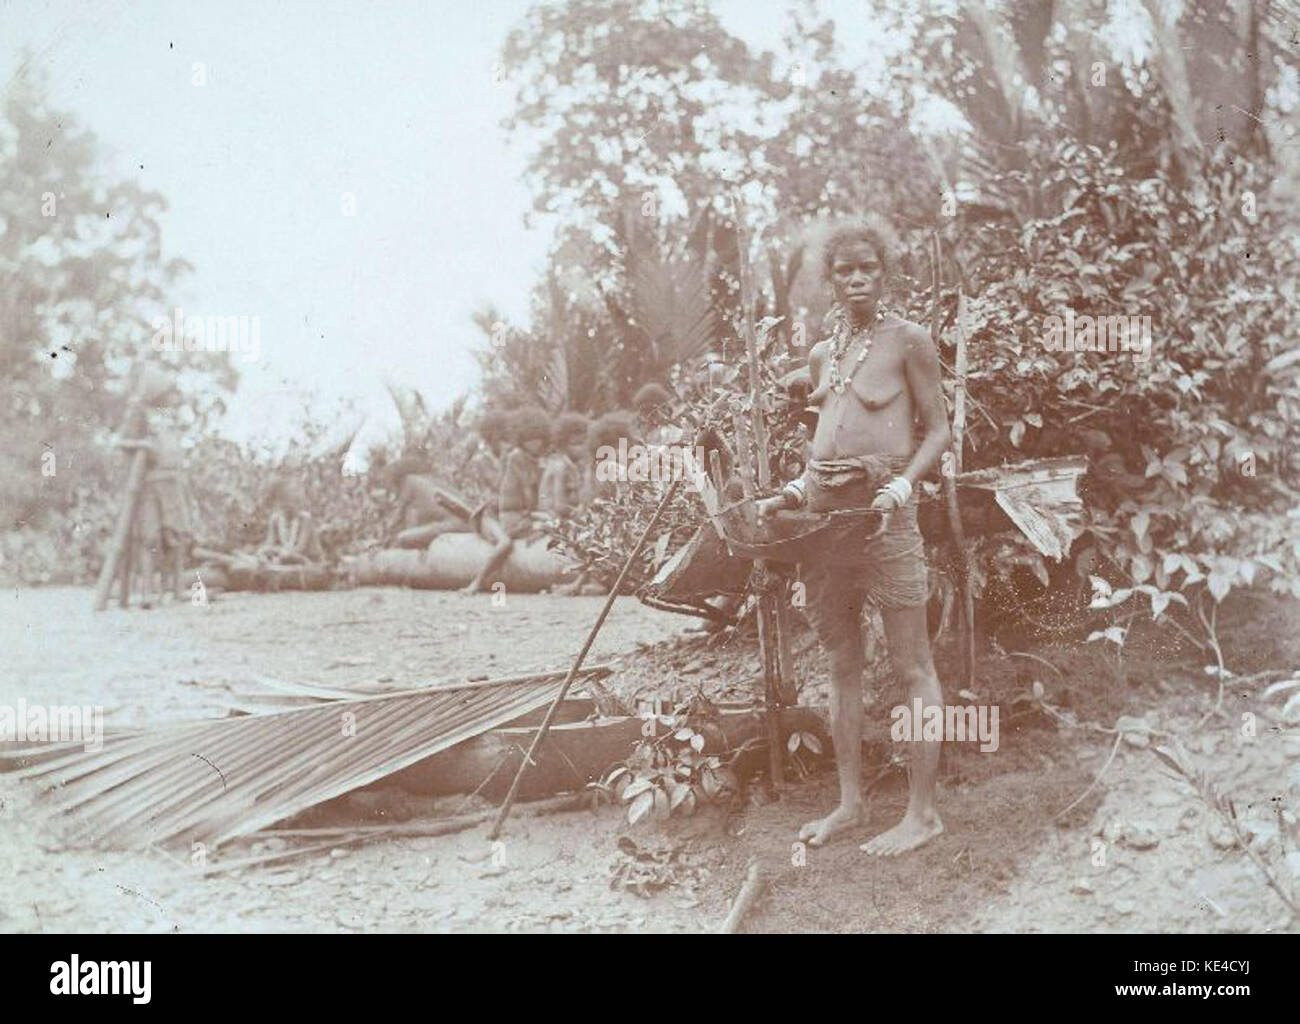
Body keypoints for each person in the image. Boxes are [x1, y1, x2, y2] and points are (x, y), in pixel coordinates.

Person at [756, 217, 951, 857]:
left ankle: (922, 816)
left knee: (911, 663)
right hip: (825, 524)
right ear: (830, 279)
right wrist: (791, 493)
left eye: (868, 266)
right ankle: (850, 803)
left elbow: (938, 431)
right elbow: (826, 447)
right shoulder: (825, 352)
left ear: (885, 271)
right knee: (842, 663)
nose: (857, 277)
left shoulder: (910, 341)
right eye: (845, 269)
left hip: (887, 516)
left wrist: (905, 486)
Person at [113, 366, 194, 607]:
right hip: (149, 484)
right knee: (150, 538)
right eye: (169, 391)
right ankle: (148, 592)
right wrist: (142, 444)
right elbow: (120, 441)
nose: (173, 396)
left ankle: (176, 589)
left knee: (177, 537)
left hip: (173, 482)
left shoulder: (173, 416)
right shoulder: (139, 413)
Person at [461, 405, 549, 595]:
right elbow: (478, 495)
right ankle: (476, 582)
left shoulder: (524, 460)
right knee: (504, 544)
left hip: (509, 513)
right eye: (501, 440)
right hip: (488, 514)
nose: (505, 444)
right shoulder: (482, 461)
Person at [381, 456, 475, 545]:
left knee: (402, 537)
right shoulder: (425, 480)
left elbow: (397, 517)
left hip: (453, 524)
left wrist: (384, 537)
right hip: (464, 519)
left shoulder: (407, 483)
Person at [258, 476, 325, 564]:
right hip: (286, 557)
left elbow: (300, 548)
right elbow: (270, 543)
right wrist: (267, 551)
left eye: (290, 502)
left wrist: (280, 552)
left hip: (308, 560)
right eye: (282, 504)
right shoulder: (275, 520)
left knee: (287, 556)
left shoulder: (305, 520)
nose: (287, 507)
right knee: (263, 554)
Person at [537, 412, 590, 516]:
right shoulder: (559, 467)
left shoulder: (578, 465)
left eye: (584, 443)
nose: (582, 448)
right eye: (576, 444)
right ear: (562, 445)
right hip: (556, 518)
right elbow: (559, 505)